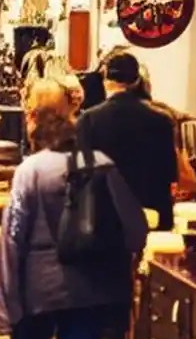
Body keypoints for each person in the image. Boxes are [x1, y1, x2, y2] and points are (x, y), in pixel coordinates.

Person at [0, 80, 148, 339]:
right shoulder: (102, 164)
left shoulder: (31, 170)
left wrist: (5, 300)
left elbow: (12, 238)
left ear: (36, 136)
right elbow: (135, 229)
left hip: (36, 291)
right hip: (91, 293)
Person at [76, 52, 179, 229]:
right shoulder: (161, 120)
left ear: (106, 81)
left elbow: (83, 176)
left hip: (106, 221)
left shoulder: (89, 120)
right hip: (150, 217)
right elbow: (169, 174)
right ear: (137, 81)